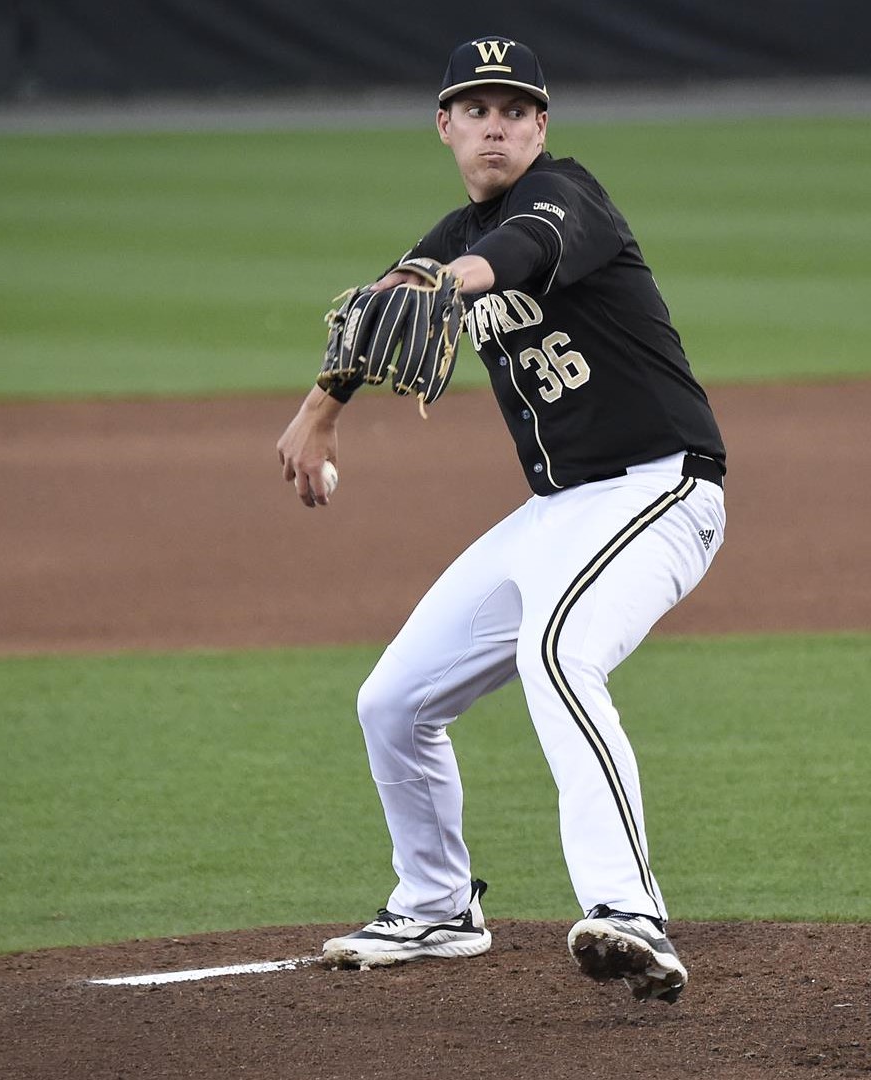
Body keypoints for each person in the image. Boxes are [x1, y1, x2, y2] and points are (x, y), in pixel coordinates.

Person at [274, 35, 727, 1004]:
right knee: (393, 702)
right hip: (559, 510)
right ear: (444, 126)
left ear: (542, 127)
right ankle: (437, 905)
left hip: (661, 488)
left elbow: (518, 254)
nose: (496, 125)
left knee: (559, 658)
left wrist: (453, 282)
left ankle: (629, 910)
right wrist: (322, 408)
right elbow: (380, 309)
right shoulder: (449, 235)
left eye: (514, 109)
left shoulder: (569, 198)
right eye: (475, 109)